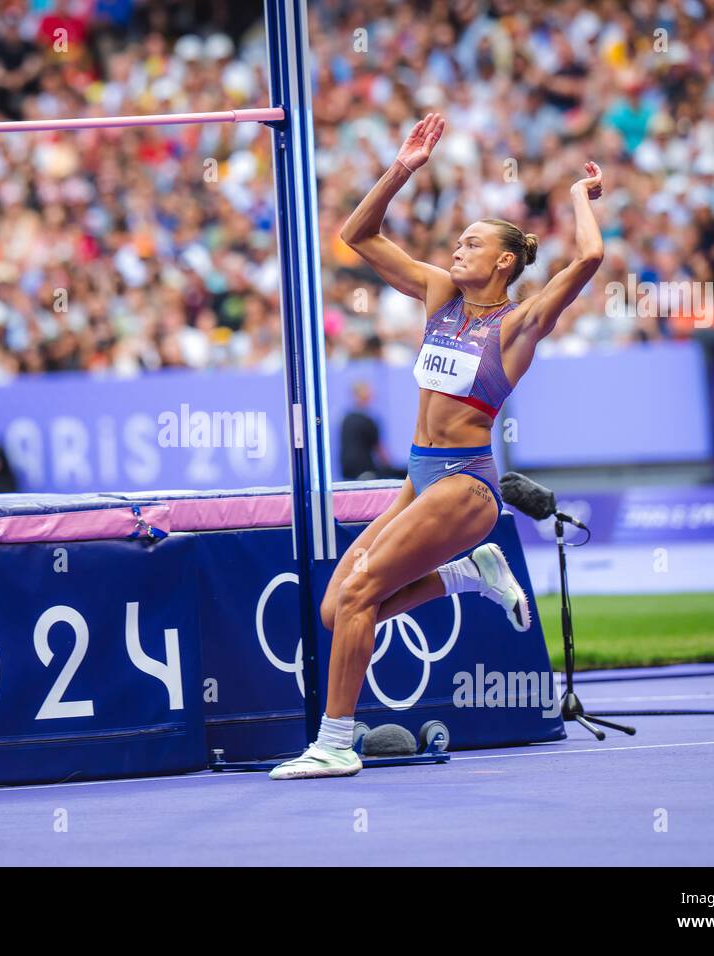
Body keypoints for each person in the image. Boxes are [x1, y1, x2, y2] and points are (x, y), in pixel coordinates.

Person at [271, 114, 604, 779]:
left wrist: (577, 198)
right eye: (458, 241)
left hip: (466, 485)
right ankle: (469, 574)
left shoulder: (519, 323)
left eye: (472, 244)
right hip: (419, 478)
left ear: (505, 262)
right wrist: (403, 168)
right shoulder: (439, 295)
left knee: (362, 590)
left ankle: (335, 743)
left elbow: (590, 259)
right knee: (339, 609)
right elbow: (355, 235)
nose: (458, 250)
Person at [338, 381, 401, 480]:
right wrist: (390, 469)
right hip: (365, 471)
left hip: (348, 472)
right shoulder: (368, 421)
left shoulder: (346, 419)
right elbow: (380, 451)